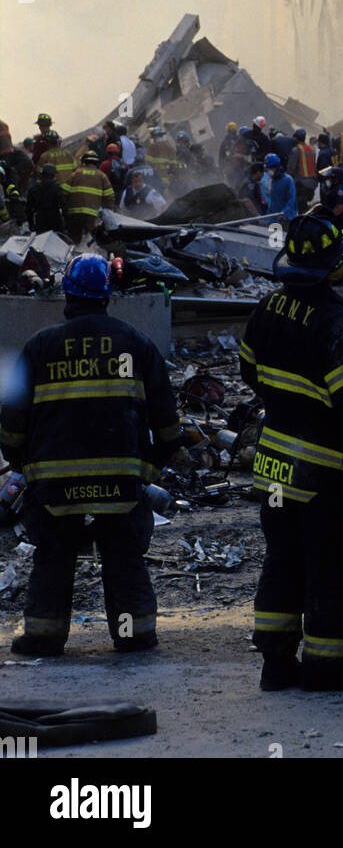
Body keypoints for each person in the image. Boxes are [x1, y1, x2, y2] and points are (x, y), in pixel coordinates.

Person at [0, 254, 181, 655]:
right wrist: (149, 469)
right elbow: (169, 425)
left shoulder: (39, 347)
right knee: (123, 560)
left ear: (68, 292)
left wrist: (19, 463)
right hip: (120, 484)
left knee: (53, 557)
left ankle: (45, 636)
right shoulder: (135, 344)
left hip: (54, 487)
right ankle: (133, 634)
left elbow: (12, 422)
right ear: (106, 296)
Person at [239, 213, 343, 691]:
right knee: (335, 568)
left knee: (283, 560)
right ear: (333, 267)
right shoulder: (335, 322)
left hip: (275, 468)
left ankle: (276, 666)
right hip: (328, 474)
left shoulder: (267, 309)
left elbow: (250, 372)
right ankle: (328, 667)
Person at [64, 151, 116, 243]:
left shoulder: (75, 174)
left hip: (75, 214)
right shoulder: (102, 176)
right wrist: (108, 213)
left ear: (83, 162)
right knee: (91, 241)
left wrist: (65, 210)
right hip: (92, 215)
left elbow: (64, 192)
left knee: (73, 241)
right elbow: (110, 196)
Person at [26, 164, 67, 234]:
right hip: (55, 219)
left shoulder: (34, 187)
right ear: (53, 175)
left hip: (40, 220)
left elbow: (28, 208)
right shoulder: (57, 187)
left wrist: (31, 224)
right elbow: (63, 205)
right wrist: (66, 222)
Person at [286, 130, 317, 214]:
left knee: (301, 208)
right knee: (306, 207)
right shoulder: (312, 149)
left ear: (296, 139)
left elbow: (291, 168)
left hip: (301, 184)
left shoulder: (295, 150)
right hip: (313, 183)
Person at [261, 153, 298, 222]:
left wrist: (284, 214)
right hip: (274, 219)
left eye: (271, 168)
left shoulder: (288, 180)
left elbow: (291, 201)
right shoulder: (271, 181)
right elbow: (272, 202)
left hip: (287, 219)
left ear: (276, 167)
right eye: (267, 168)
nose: (269, 170)